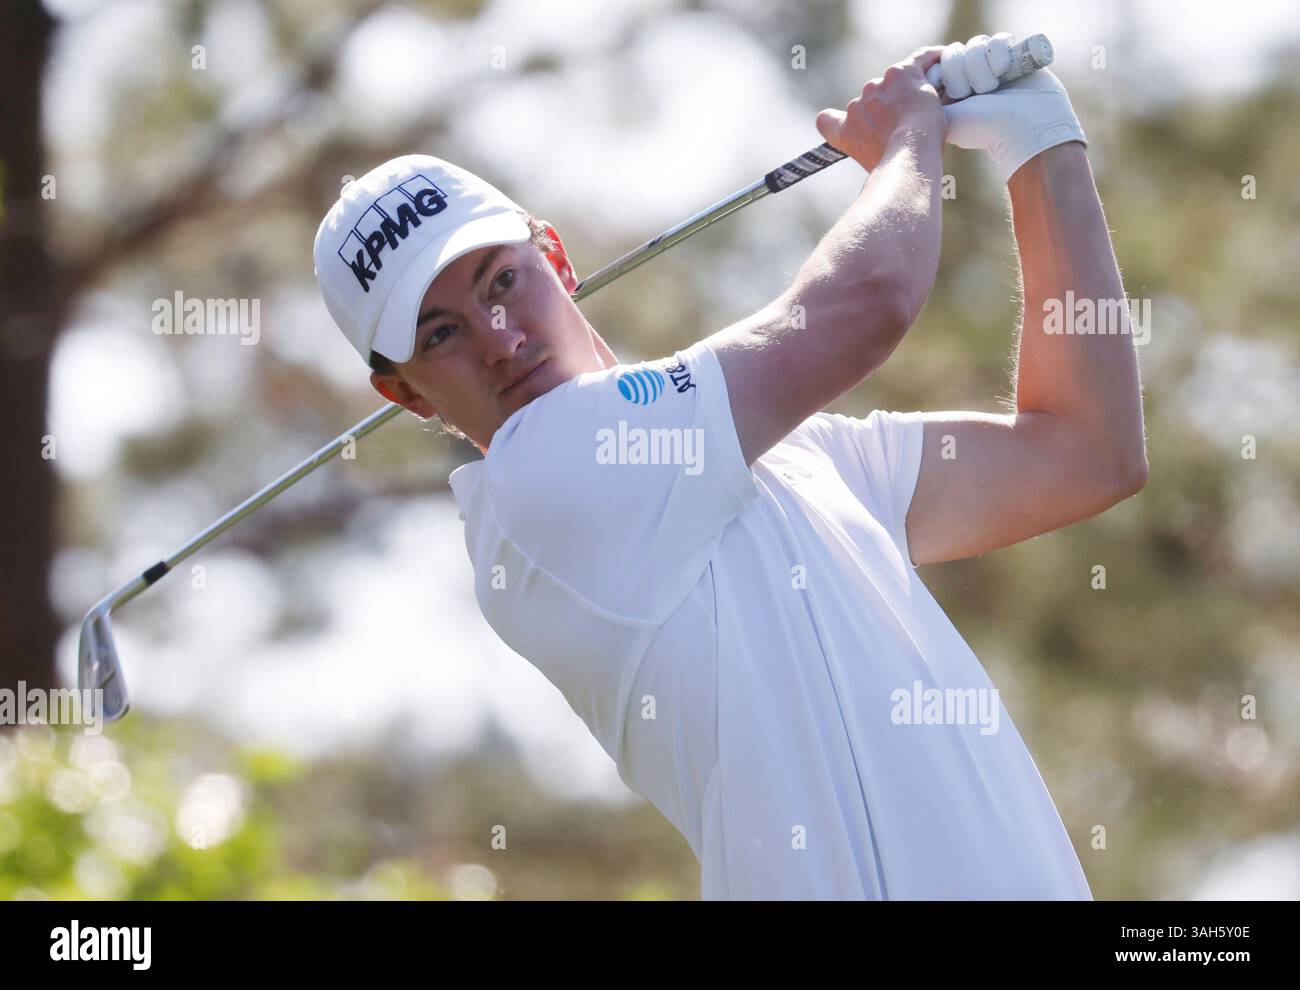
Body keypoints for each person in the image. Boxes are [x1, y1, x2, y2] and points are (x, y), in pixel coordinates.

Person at [312, 33, 1146, 899]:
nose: (499, 339)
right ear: (406, 395)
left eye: (500, 282)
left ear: (555, 258)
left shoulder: (797, 456)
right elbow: (866, 305)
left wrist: (1041, 146)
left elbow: (1086, 452)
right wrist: (907, 138)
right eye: (441, 333)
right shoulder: (539, 483)